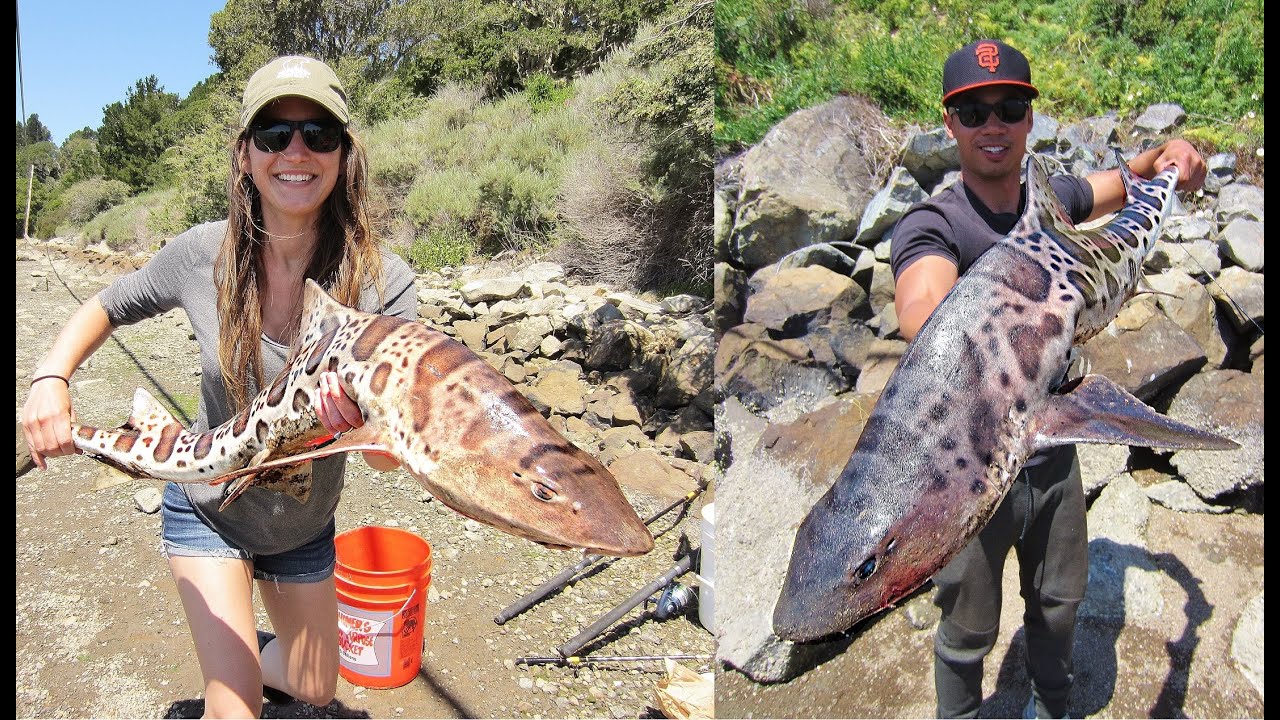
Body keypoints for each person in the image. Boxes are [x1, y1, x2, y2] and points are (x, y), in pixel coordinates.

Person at [22, 55, 418, 718]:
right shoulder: (202, 253)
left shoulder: (384, 282)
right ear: (245, 155)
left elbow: (385, 452)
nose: (297, 150)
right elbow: (109, 305)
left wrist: (357, 426)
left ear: (344, 154)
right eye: (273, 134)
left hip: (302, 522)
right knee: (235, 707)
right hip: (208, 501)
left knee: (316, 689)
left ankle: (239, 651)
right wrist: (49, 378)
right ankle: (228, 673)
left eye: (319, 133)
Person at [889, 40, 1205, 719]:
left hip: (1055, 453)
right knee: (968, 622)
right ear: (950, 125)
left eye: (1009, 107)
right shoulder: (935, 223)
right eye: (973, 112)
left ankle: (1053, 706)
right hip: (967, 468)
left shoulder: (1050, 201)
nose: (993, 125)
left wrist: (1168, 158)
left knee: (1059, 602)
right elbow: (920, 306)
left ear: (1030, 118)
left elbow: (1124, 180)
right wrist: (955, 320)